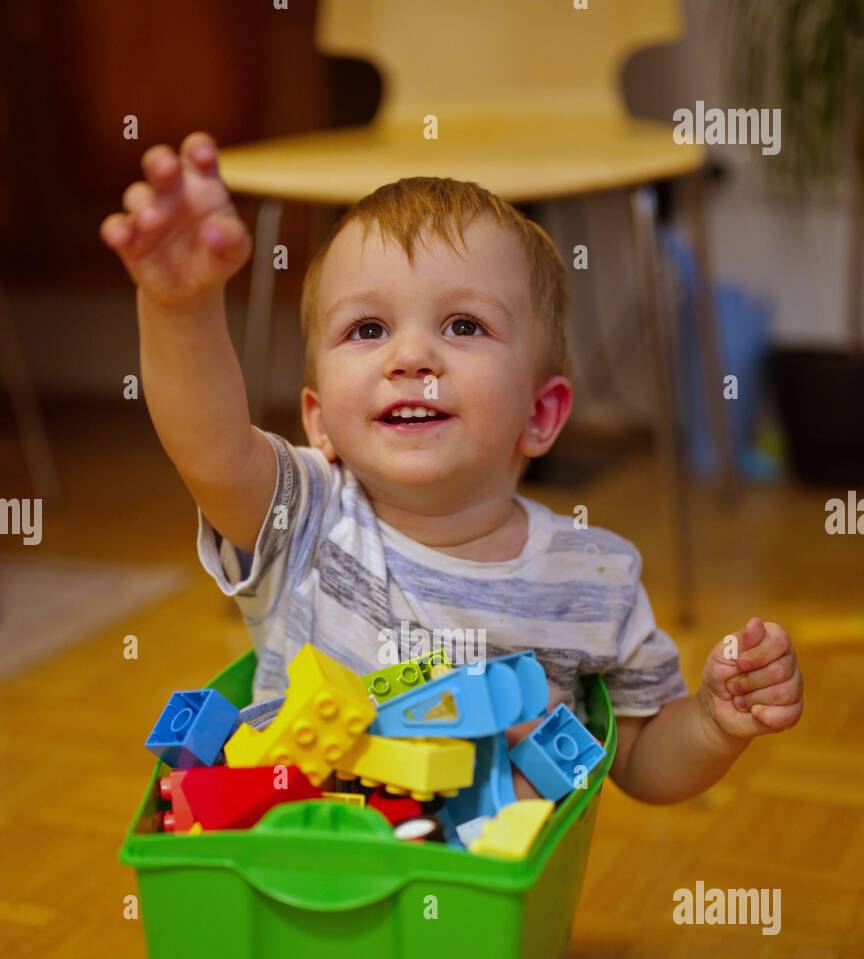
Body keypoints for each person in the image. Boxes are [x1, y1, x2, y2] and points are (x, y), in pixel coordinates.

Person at [101, 132, 803, 805]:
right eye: (367, 329)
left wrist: (711, 723)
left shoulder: (595, 581)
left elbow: (642, 759)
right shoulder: (308, 515)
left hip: (478, 909)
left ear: (540, 415)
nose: (410, 358)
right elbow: (209, 445)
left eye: (463, 325)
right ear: (318, 421)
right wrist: (180, 308)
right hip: (299, 879)